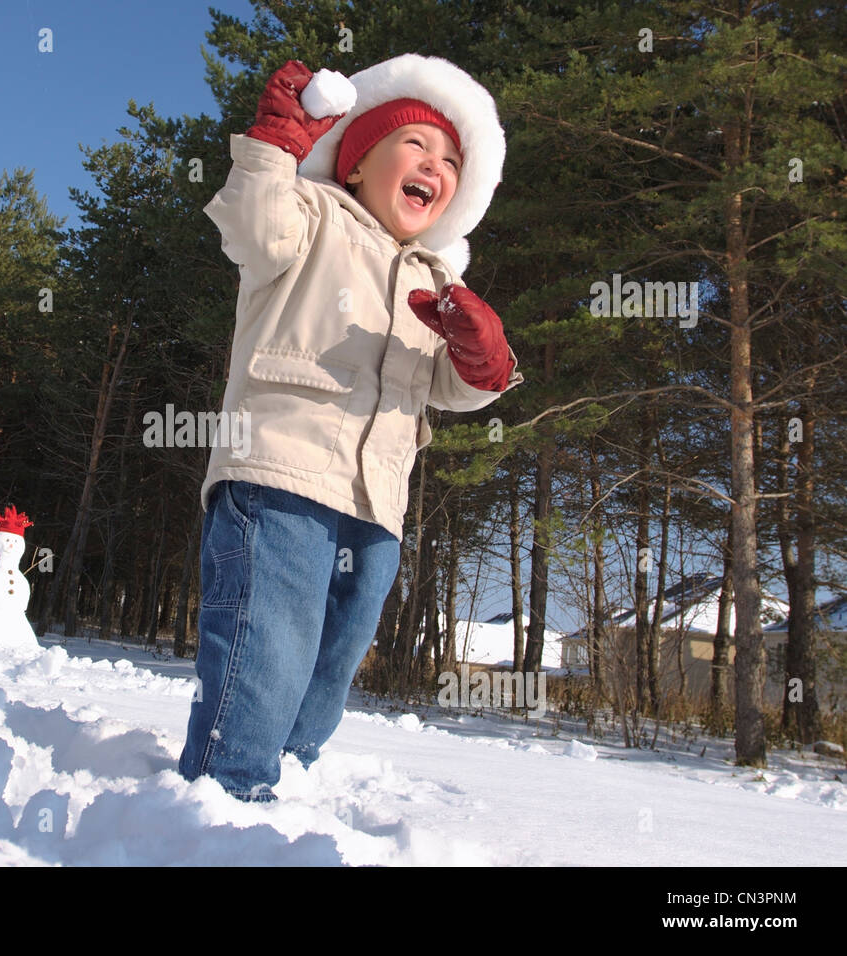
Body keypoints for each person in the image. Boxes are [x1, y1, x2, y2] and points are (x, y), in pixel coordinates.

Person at [178, 53, 524, 801]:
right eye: (417, 145)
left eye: (452, 160)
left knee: (334, 657)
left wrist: (480, 354)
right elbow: (251, 222)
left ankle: (288, 779)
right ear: (360, 162)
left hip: (376, 504)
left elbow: (449, 387)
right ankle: (222, 793)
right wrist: (278, 141)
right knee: (270, 641)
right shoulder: (311, 217)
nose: (436, 164)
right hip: (280, 472)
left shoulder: (435, 280)